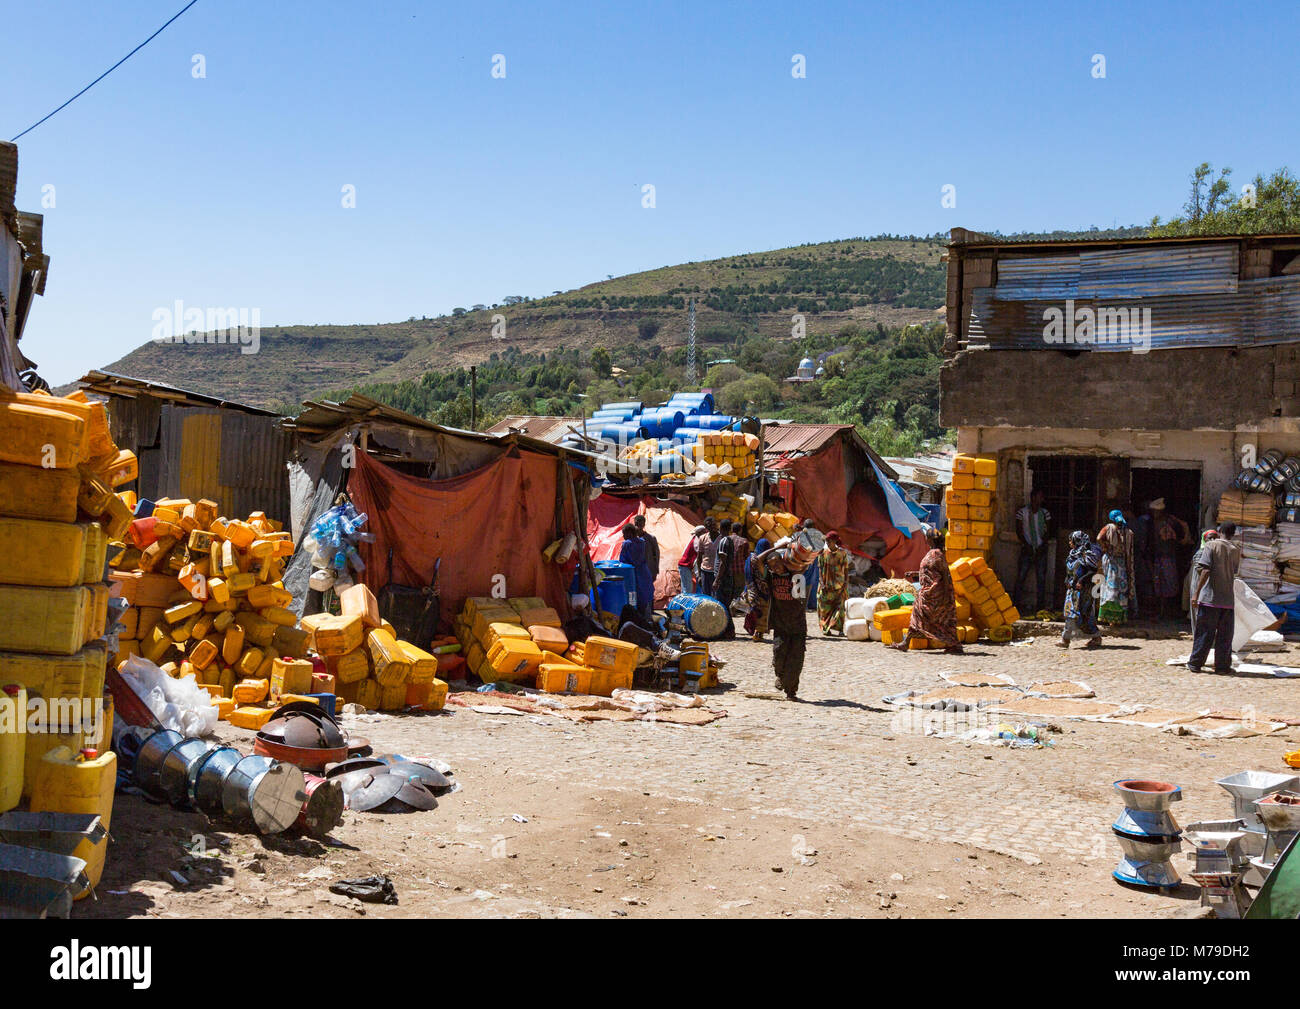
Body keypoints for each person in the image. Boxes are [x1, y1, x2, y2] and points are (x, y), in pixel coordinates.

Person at [890, 527, 962, 653]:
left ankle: (905, 643)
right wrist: (916, 574)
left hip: (934, 594)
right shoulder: (935, 552)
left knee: (922, 617)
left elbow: (945, 575)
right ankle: (953, 644)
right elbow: (932, 572)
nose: (925, 539)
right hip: (931, 593)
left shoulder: (936, 553)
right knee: (931, 618)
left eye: (926, 537)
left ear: (930, 539)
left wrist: (945, 593)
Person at [760, 538, 817, 699]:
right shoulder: (770, 577)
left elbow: (800, 594)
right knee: (779, 654)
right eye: (771, 566)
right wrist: (777, 548)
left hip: (798, 625)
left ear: (785, 561)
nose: (775, 568)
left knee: (796, 659)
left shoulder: (796, 575)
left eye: (777, 563)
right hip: (780, 624)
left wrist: (795, 564)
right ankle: (780, 675)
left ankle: (791, 691)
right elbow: (757, 560)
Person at [1188, 522, 1240, 674]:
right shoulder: (1236, 550)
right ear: (1233, 534)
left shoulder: (1211, 546)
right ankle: (1222, 667)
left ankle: (1195, 664)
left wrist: (1197, 593)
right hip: (1227, 601)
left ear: (1220, 531)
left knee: (1204, 633)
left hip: (1210, 599)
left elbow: (1205, 571)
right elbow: (1234, 572)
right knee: (1225, 636)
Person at [1058, 530, 1103, 649]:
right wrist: (1067, 580)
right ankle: (1065, 639)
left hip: (1083, 591)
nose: (1069, 543)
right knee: (1069, 614)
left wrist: (1080, 581)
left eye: (1071, 540)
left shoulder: (1086, 554)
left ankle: (1096, 637)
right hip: (1072, 591)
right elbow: (1070, 571)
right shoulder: (1072, 553)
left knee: (1085, 615)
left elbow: (1091, 570)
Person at [1149, 498, 1191, 620]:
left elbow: (1168, 541)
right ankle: (1163, 612)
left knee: (1166, 585)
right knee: (1162, 586)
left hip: (1166, 558)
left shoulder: (1165, 524)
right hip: (1162, 557)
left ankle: (1164, 612)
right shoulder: (1160, 523)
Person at [1013, 489, 1051, 615]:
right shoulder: (1022, 513)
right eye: (1040, 497)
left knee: (1041, 578)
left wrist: (1041, 546)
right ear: (1033, 498)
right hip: (1027, 548)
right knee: (1021, 577)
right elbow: (1019, 531)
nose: (1041, 500)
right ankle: (1015, 604)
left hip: (1041, 548)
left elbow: (1048, 531)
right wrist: (1027, 545)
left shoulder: (1045, 513)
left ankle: (1040, 606)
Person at [1096, 509, 1136, 624]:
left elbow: (1099, 538)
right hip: (1122, 563)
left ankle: (1108, 618)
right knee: (1121, 590)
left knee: (1109, 589)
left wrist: (1104, 547)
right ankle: (1118, 619)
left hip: (1111, 562)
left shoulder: (1108, 528)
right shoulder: (1128, 531)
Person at [817, 531, 850, 636]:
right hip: (825, 586)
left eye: (829, 541)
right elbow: (820, 569)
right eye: (826, 541)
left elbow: (846, 570)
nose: (827, 542)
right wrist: (822, 583)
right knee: (824, 609)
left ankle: (840, 630)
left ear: (835, 541)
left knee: (840, 608)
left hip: (839, 586)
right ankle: (826, 629)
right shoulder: (822, 553)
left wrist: (845, 583)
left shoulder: (842, 554)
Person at [617, 524, 654, 617]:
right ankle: (646, 619)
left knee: (633, 598)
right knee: (645, 596)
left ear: (629, 533)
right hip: (644, 572)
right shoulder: (642, 542)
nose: (623, 536)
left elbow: (622, 561)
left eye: (624, 533)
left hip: (632, 574)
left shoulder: (627, 543)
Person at [742, 536, 773, 641]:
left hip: (750, 589)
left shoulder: (749, 558)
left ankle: (754, 631)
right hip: (761, 592)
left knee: (753, 612)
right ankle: (758, 634)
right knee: (761, 613)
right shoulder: (758, 560)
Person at [713, 519, 738, 604]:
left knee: (720, 603)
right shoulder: (730, 540)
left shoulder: (723, 541)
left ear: (721, 528)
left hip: (722, 578)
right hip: (727, 576)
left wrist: (717, 580)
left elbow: (722, 562)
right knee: (726, 602)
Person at [633, 514, 659, 591]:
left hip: (648, 570)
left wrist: (655, 571)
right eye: (637, 523)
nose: (639, 526)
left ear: (644, 524)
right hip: (636, 570)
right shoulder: (631, 539)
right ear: (635, 523)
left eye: (641, 524)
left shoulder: (651, 538)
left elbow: (656, 555)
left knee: (648, 590)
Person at [801, 520, 821, 612]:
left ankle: (805, 605)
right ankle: (809, 604)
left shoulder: (800, 535)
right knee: (811, 582)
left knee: (805, 582)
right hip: (810, 561)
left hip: (804, 562)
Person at [696, 518, 718, 597]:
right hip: (705, 571)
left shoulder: (722, 538)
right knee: (706, 595)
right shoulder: (703, 538)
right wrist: (699, 575)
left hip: (717, 573)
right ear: (707, 528)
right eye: (710, 527)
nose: (713, 528)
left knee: (716, 596)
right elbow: (699, 557)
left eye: (714, 525)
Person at [678, 525, 703, 594]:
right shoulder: (697, 542)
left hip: (685, 566)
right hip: (685, 566)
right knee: (687, 589)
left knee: (686, 588)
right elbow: (697, 559)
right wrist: (698, 574)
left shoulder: (693, 539)